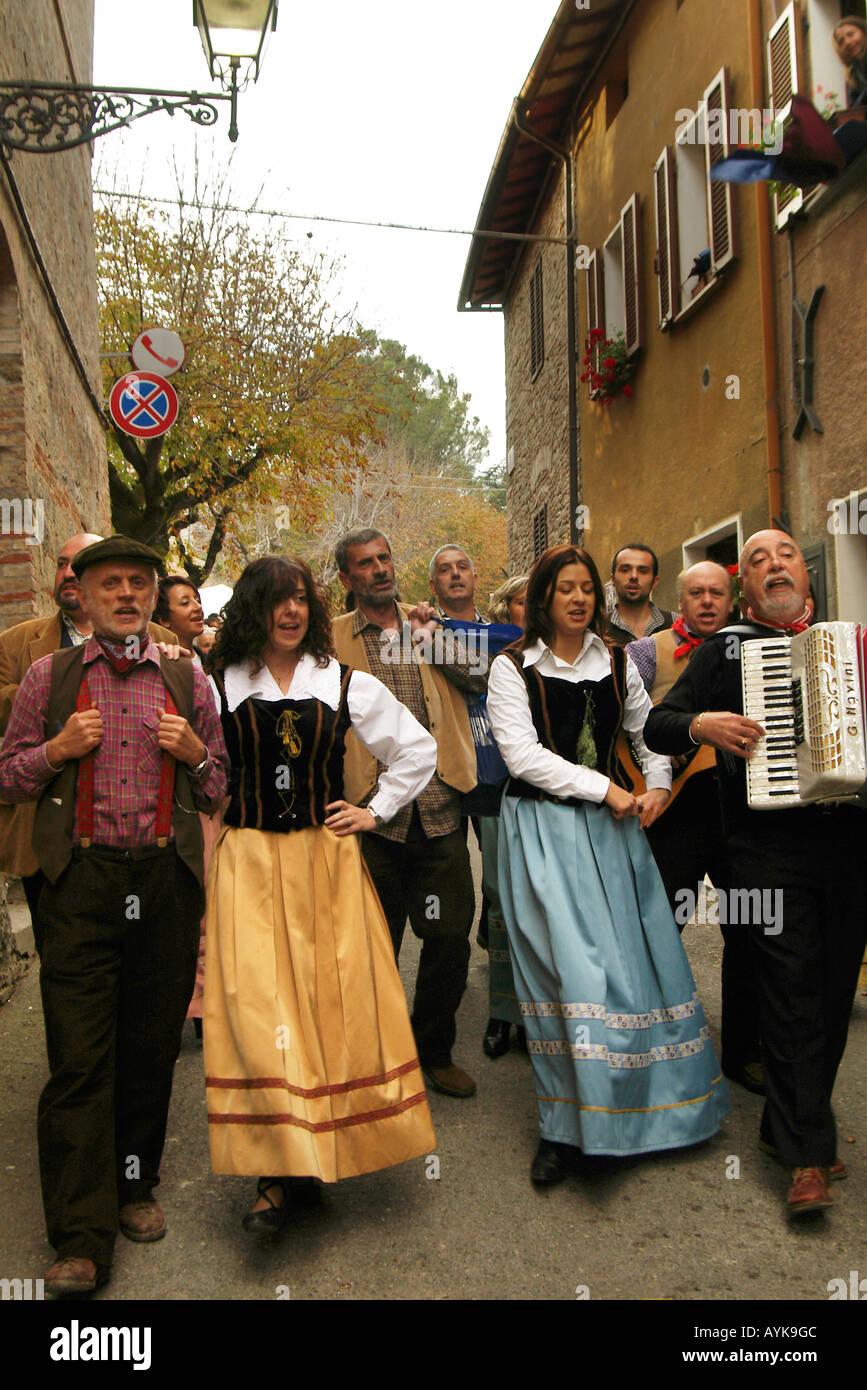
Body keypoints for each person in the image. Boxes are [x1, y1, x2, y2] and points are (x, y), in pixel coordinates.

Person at [0, 535, 228, 1297]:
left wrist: (196, 754)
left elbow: (223, 785)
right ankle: (79, 1235)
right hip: (80, 885)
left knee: (150, 1045)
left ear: (152, 597)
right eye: (109, 584)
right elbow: (6, 777)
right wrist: (57, 750)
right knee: (78, 1058)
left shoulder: (187, 676)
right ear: (84, 596)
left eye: (138, 583)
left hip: (164, 879)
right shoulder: (48, 676)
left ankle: (134, 1187)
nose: (125, 594)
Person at [203, 556, 437, 1233]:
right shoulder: (218, 682)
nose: (292, 611)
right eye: (277, 600)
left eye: (302, 598)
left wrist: (372, 810)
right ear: (254, 607)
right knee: (256, 1008)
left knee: (330, 1003)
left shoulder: (342, 683)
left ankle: (325, 1146)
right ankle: (274, 1170)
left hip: (322, 859)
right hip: (246, 859)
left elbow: (415, 750)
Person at [486, 545, 728, 1185]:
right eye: (565, 588)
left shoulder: (618, 659)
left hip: (615, 831)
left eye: (586, 588)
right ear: (543, 597)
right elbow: (521, 756)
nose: (578, 598)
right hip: (543, 828)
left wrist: (655, 785)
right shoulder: (512, 667)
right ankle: (566, 1128)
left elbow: (651, 733)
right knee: (566, 976)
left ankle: (647, 1111)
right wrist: (608, 790)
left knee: (628, 967)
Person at [644, 530, 867, 1218]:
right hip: (766, 848)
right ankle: (806, 1155)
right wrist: (701, 723)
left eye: (786, 556)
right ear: (745, 588)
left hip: (849, 843)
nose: (774, 566)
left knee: (831, 992)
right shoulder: (726, 648)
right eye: (758, 560)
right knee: (791, 991)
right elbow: (658, 724)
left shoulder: (848, 644)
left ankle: (784, 1123)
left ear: (807, 574)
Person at [332, 528, 479, 1099]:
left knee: (448, 939)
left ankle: (434, 1049)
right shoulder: (332, 638)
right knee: (375, 945)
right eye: (364, 564)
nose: (378, 570)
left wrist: (432, 639)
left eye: (384, 558)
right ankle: (380, 1057)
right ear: (347, 579)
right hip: (371, 816)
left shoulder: (427, 625)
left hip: (440, 808)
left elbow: (483, 677)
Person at [0, 532, 178, 952]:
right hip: (48, 844)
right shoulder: (19, 644)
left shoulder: (162, 642)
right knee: (64, 965)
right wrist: (50, 691)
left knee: (140, 966)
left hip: (141, 843)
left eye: (76, 564)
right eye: (61, 563)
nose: (66, 573)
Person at [626, 562, 763, 1095]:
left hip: (742, 817)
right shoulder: (644, 652)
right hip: (675, 816)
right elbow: (623, 723)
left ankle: (745, 1051)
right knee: (661, 930)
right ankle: (650, 1041)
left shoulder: (757, 647)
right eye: (696, 594)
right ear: (678, 602)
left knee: (749, 932)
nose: (707, 602)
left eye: (717, 593)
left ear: (731, 601)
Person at [153, 575, 219, 1033]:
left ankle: (204, 1001)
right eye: (184, 602)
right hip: (183, 803)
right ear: (162, 619)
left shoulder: (207, 662)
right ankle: (185, 1003)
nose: (196, 607)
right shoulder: (163, 663)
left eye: (197, 599)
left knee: (211, 905)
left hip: (215, 793)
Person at [605, 544, 673, 645]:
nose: (634, 576)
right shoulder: (598, 629)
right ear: (613, 579)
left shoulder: (676, 625)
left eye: (643, 571)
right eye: (625, 570)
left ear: (654, 582)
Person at [154, 576, 206, 656]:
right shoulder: (159, 662)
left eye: (197, 600)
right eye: (185, 603)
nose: (198, 606)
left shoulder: (205, 660)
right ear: (164, 620)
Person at [833, 15, 867, 107]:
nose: (847, 42)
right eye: (841, 41)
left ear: (864, 32)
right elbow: (855, 108)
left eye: (850, 34)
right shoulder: (853, 73)